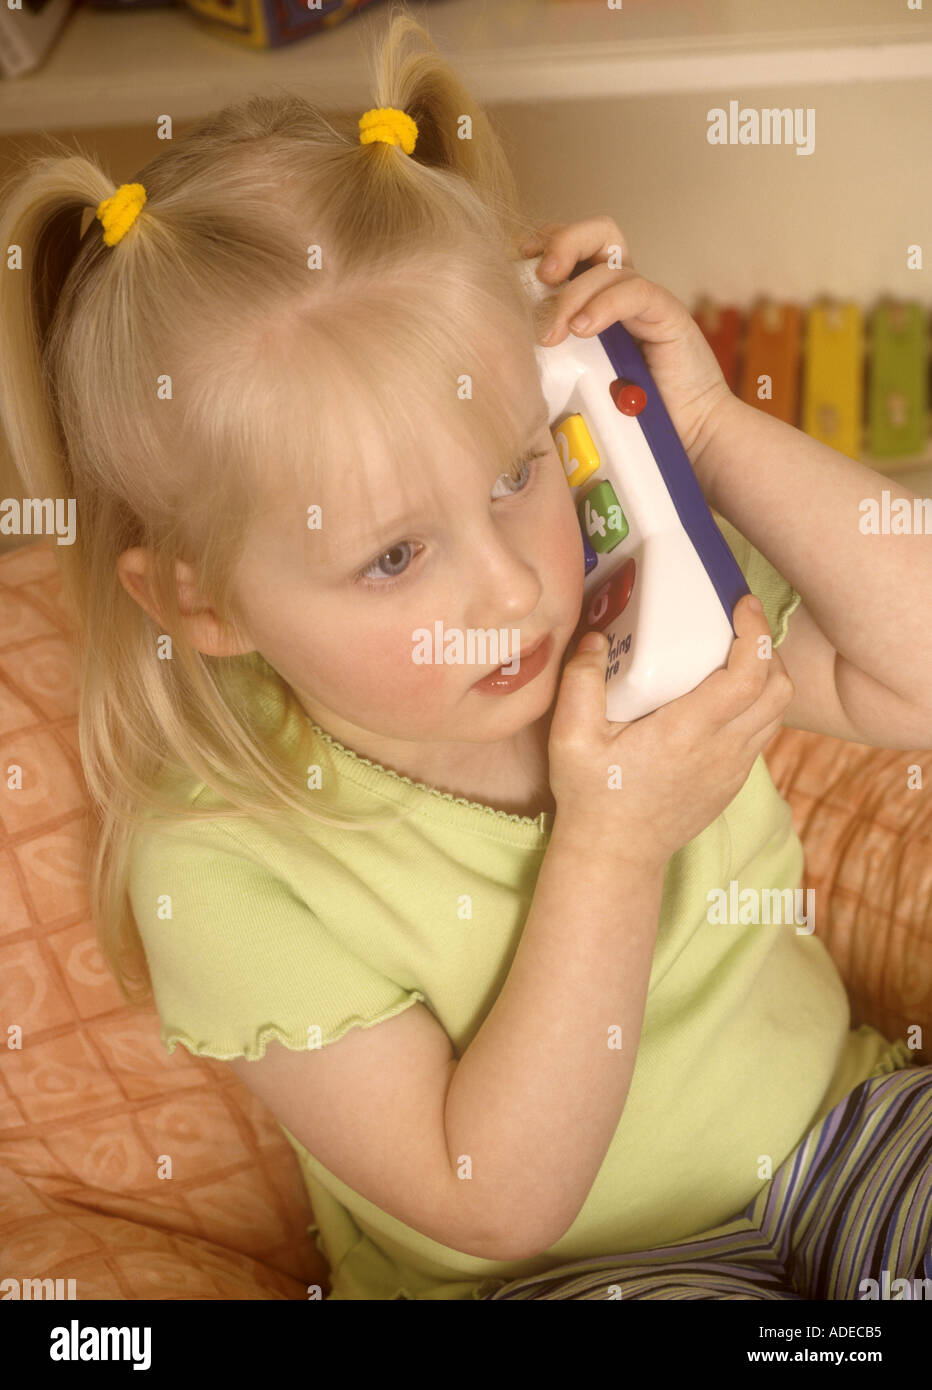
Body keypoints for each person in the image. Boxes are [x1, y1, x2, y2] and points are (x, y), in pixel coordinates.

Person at [1, 6, 929, 1303]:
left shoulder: (624, 586)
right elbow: (493, 1195)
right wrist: (609, 844)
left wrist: (703, 428)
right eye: (392, 556)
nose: (508, 586)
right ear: (205, 602)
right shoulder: (223, 864)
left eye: (514, 473)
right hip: (574, 1267)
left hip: (845, 1134)